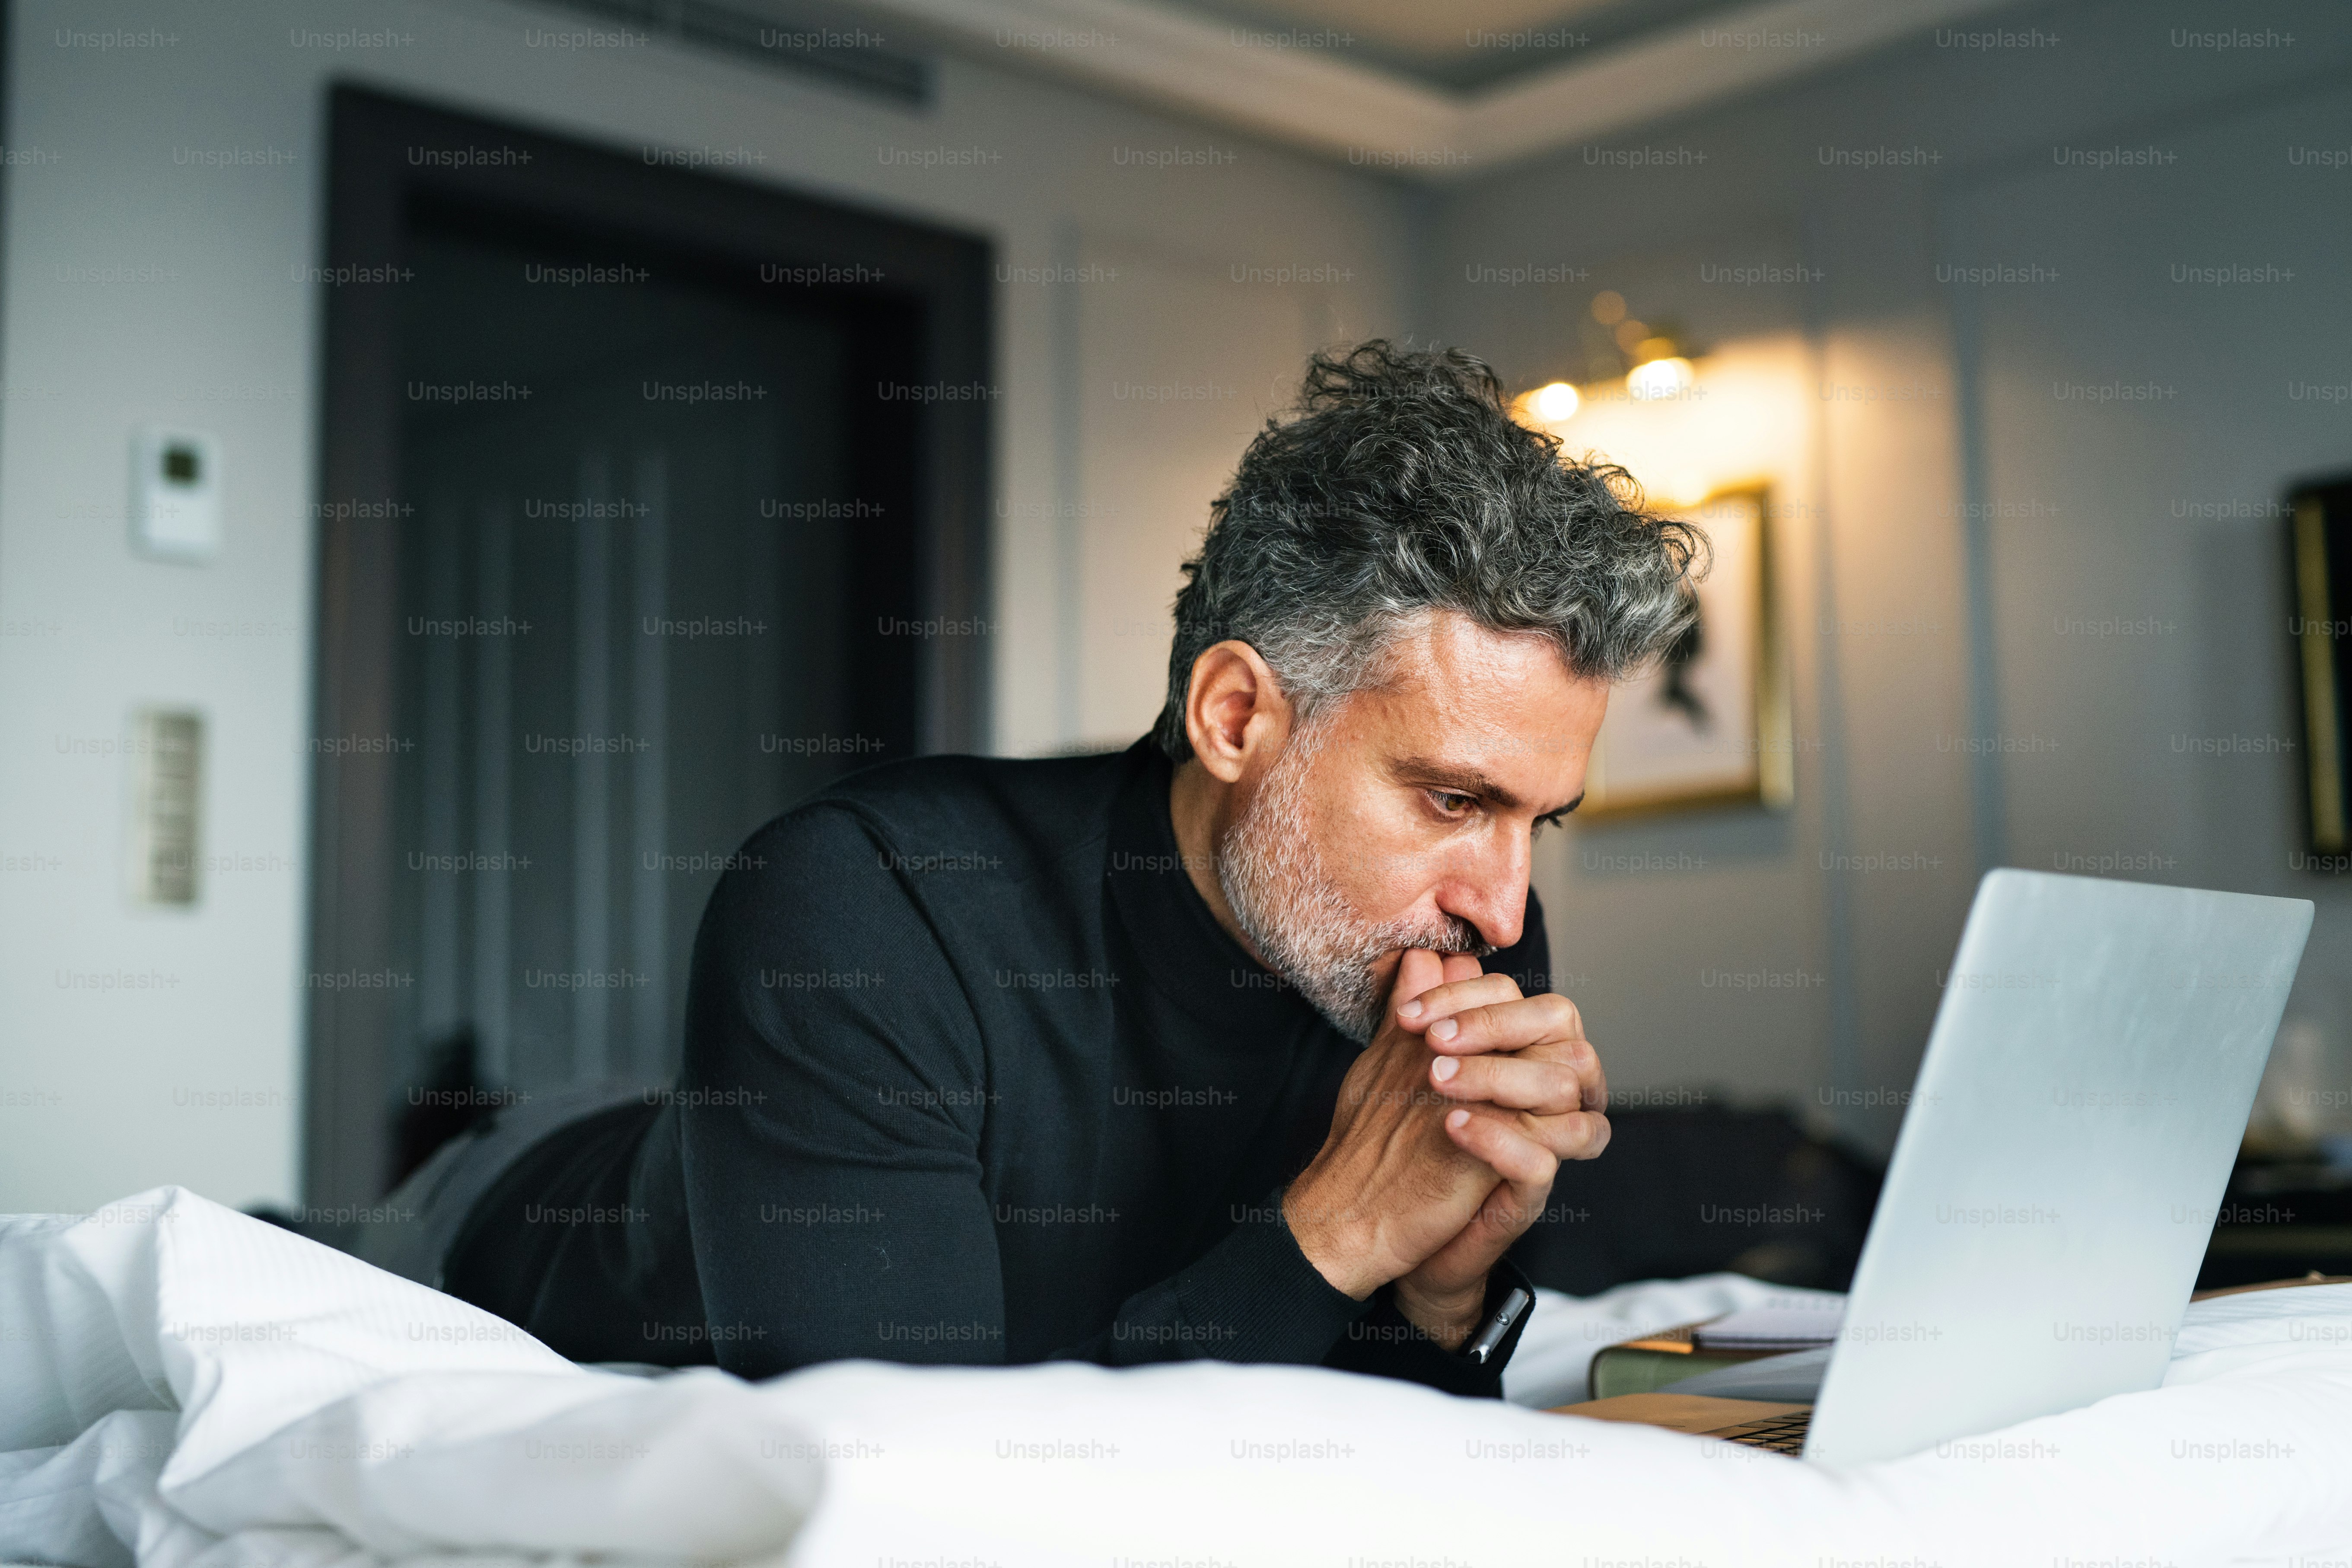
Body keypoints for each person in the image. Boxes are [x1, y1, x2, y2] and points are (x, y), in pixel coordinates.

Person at [412, 340, 1704, 1396]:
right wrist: (1344, 1230)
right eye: (1448, 798)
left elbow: (1358, 1436)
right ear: (1237, 717)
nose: (1503, 902)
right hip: (530, 1213)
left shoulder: (1463, 931)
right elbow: (922, 1489)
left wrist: (1440, 1289)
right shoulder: (857, 901)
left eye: (1538, 821)